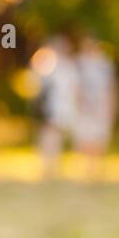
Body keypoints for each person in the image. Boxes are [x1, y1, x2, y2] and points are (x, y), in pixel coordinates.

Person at [31, 35, 80, 178]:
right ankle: (51, 165)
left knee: (52, 136)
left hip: (57, 107)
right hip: (55, 107)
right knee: (52, 136)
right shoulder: (59, 64)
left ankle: (51, 165)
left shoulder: (59, 65)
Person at [73, 35, 118, 172]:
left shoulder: (104, 65)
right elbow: (75, 86)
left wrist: (113, 105)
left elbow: (111, 87)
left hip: (100, 106)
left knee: (99, 137)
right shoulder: (79, 63)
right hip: (84, 107)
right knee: (85, 137)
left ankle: (97, 167)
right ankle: (86, 167)